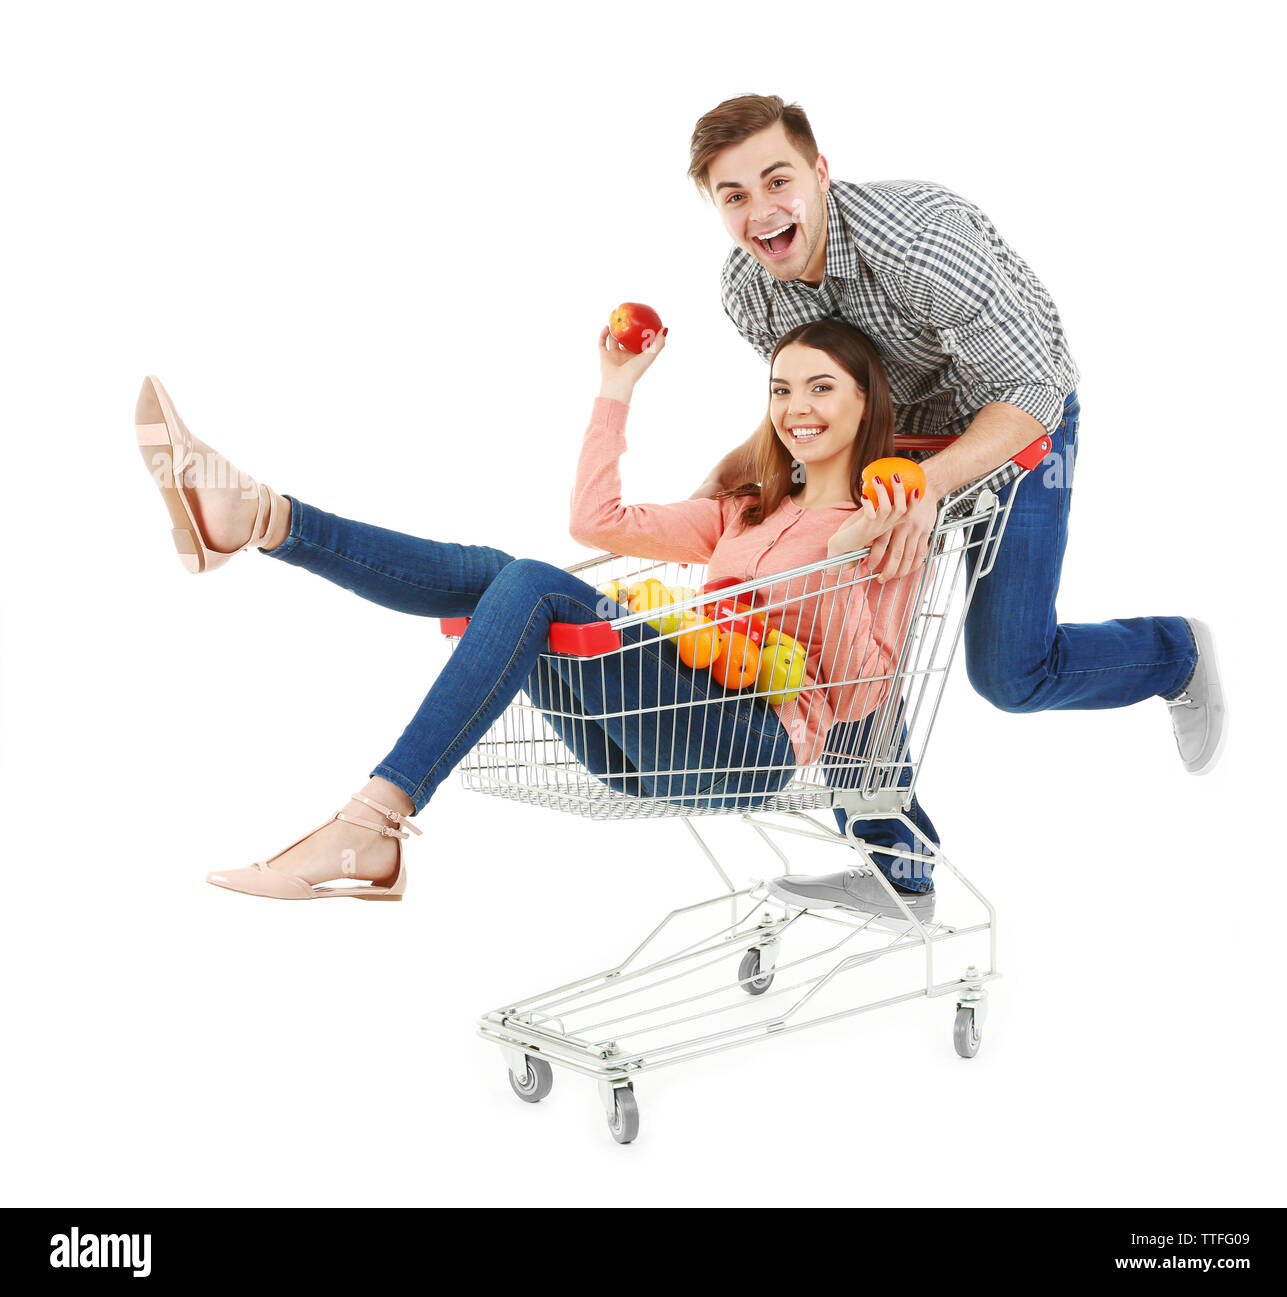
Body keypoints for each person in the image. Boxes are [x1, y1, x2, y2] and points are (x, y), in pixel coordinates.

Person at [135, 318, 938, 917]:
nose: (796, 407)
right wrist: (616, 386)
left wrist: (846, 549)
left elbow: (864, 686)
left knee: (527, 585)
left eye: (821, 387)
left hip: (749, 744)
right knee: (502, 576)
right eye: (781, 388)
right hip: (654, 718)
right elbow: (596, 522)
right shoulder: (746, 510)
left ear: (866, 403)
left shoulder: (893, 520)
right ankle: (265, 519)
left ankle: (370, 820)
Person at [683, 94, 1225, 913]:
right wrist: (726, 490)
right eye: (733, 196)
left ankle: (1173, 654)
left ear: (820, 172)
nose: (761, 212)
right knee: (829, 604)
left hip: (1015, 424)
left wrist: (923, 490)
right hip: (893, 444)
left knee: (1010, 672)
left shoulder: (920, 246)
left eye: (777, 180)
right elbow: (807, 408)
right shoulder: (751, 291)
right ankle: (894, 865)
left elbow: (1035, 387)